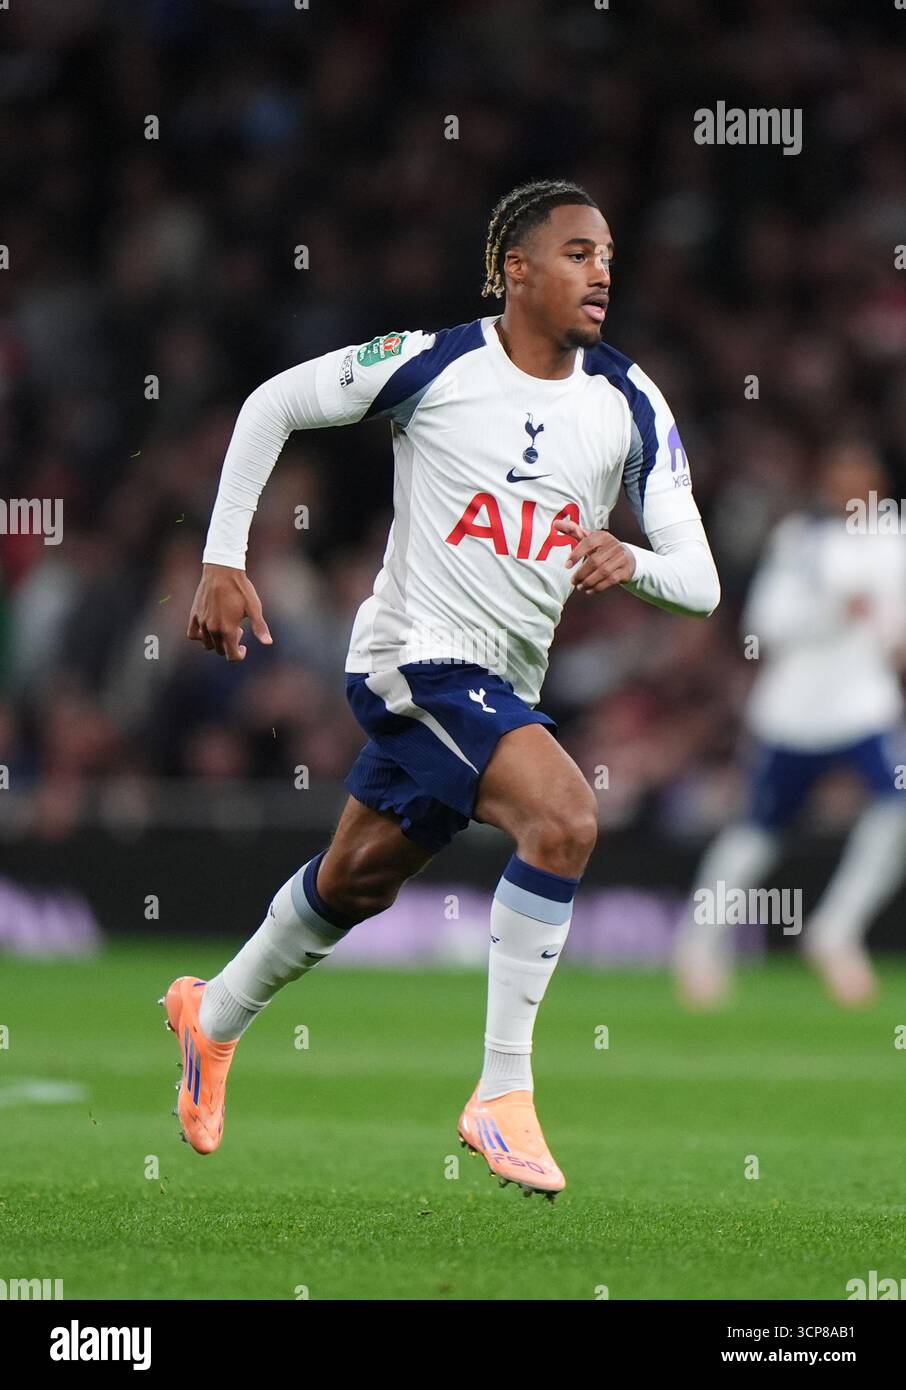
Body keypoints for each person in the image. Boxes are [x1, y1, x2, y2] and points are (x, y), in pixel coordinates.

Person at [161, 178, 720, 1198]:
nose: (604, 270)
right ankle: (502, 1092)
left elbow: (702, 578)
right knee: (564, 818)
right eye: (578, 252)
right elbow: (273, 401)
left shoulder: (629, 400)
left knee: (358, 881)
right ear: (518, 269)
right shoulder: (436, 364)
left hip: (503, 682)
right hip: (416, 659)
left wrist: (628, 561)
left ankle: (215, 1012)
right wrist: (222, 557)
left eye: (607, 253)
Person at [674, 442, 906, 1009]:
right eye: (842, 476)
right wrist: (831, 611)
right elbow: (765, 624)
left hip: (863, 707)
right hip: (794, 711)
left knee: (897, 804)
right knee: (758, 829)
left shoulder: (892, 541)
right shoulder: (802, 542)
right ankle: (698, 944)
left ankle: (836, 930)